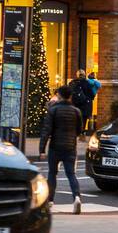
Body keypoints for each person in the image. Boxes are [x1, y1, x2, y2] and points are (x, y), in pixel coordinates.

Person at [39, 84, 83, 214]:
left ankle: (50, 201)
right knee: (71, 174)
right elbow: (79, 130)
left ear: (59, 95)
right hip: (70, 147)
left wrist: (42, 149)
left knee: (52, 174)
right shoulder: (76, 111)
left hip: (55, 147)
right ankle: (77, 197)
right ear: (70, 96)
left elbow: (46, 130)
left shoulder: (53, 110)